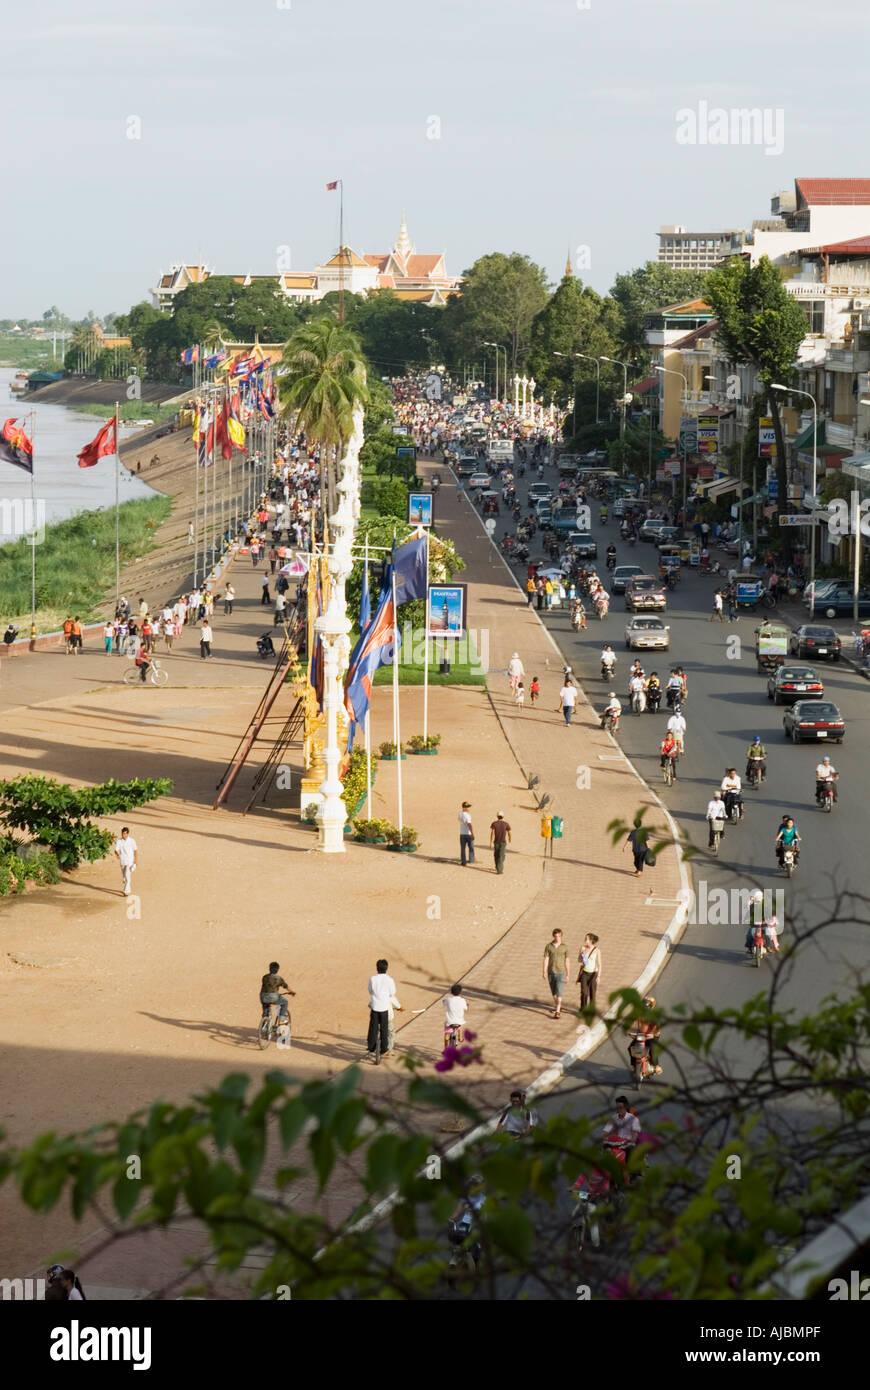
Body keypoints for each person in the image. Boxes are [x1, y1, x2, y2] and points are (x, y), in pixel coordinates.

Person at [367, 958, 401, 1058]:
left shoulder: (372, 979)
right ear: (386, 968)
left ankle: (371, 1046)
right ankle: (384, 1049)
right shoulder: (389, 980)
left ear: (377, 968)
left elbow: (370, 991)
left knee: (373, 1027)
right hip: (384, 1008)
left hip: (375, 1006)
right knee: (384, 1029)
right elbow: (392, 993)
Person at [627, 998, 662, 1076]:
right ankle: (634, 1065)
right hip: (641, 1036)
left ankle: (656, 1065)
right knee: (631, 1047)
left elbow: (656, 1027)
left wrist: (655, 1033)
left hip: (651, 1036)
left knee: (653, 1048)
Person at [542, 928, 570, 1019]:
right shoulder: (548, 946)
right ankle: (558, 1005)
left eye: (559, 936)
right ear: (553, 936)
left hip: (561, 972)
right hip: (551, 972)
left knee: (559, 992)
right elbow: (546, 959)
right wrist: (544, 971)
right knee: (554, 993)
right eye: (556, 936)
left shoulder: (565, 947)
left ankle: (557, 1011)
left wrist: (568, 974)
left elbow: (567, 960)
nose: (557, 938)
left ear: (561, 936)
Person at [577, 932, 601, 1008]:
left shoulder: (597, 950)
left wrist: (598, 976)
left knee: (592, 993)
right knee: (584, 992)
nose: (585, 940)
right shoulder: (582, 948)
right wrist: (581, 955)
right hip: (584, 973)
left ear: (591, 940)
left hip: (593, 974)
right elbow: (579, 960)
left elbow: (599, 964)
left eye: (586, 939)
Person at [113, 826, 137, 896]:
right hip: (123, 860)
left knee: (127, 875)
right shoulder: (119, 841)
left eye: (125, 834)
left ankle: (126, 891)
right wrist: (117, 854)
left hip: (130, 860)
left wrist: (135, 861)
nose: (124, 835)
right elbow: (116, 850)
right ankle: (124, 880)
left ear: (128, 834)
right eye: (123, 834)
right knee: (124, 876)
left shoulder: (132, 841)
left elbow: (135, 850)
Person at [459, 801, 475, 866]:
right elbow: (469, 824)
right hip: (468, 833)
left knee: (463, 848)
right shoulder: (467, 815)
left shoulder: (460, 814)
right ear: (465, 808)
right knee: (471, 847)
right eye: (468, 807)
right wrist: (472, 833)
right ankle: (471, 859)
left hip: (462, 833)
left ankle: (463, 862)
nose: (468, 808)